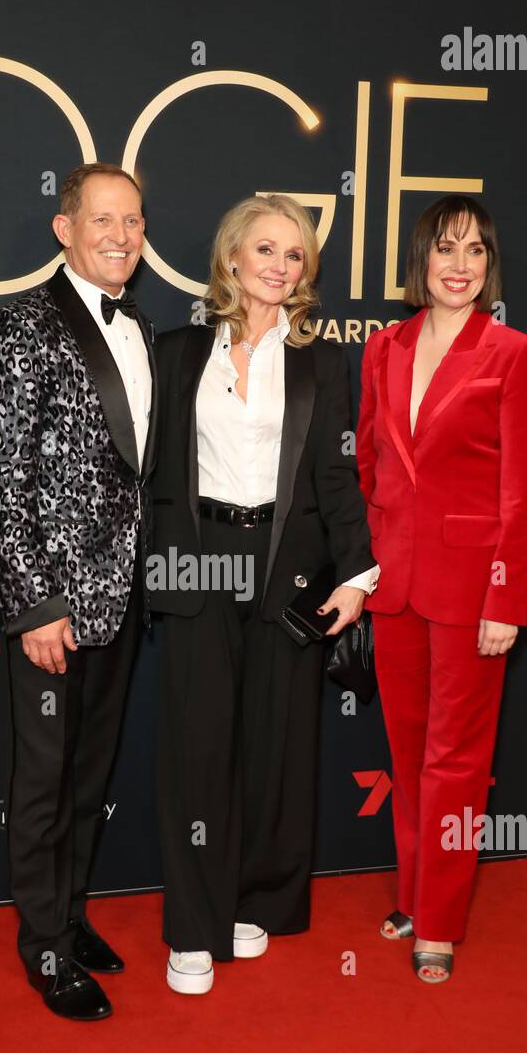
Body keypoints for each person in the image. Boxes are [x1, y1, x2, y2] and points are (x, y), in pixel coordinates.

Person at [151, 194, 377, 995]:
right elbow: (149, 478)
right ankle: (191, 926)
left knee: (275, 743)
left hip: (286, 561)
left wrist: (355, 574)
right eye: (266, 249)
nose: (279, 267)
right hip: (198, 560)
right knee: (196, 747)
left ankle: (253, 897)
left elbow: (336, 477)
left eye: (294, 256)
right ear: (233, 258)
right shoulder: (176, 353)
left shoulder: (320, 363)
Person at [0, 162, 159, 1021]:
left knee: (89, 778)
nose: (120, 236)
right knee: (43, 785)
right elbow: (2, 480)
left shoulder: (145, 330)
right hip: (53, 608)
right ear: (64, 227)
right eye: (102, 220)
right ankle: (43, 945)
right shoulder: (21, 327)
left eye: (132, 221)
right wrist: (34, 605)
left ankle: (71, 915)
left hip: (123, 601)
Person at [356, 195, 527, 984]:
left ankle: (438, 921)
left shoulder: (514, 353)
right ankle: (413, 892)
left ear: (489, 264)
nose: (460, 265)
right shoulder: (382, 348)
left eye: (475, 250)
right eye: (445, 248)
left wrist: (505, 601)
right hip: (394, 583)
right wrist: (365, 569)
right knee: (408, 756)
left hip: (474, 589)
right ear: (421, 262)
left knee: (456, 761)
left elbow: (522, 496)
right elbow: (369, 465)